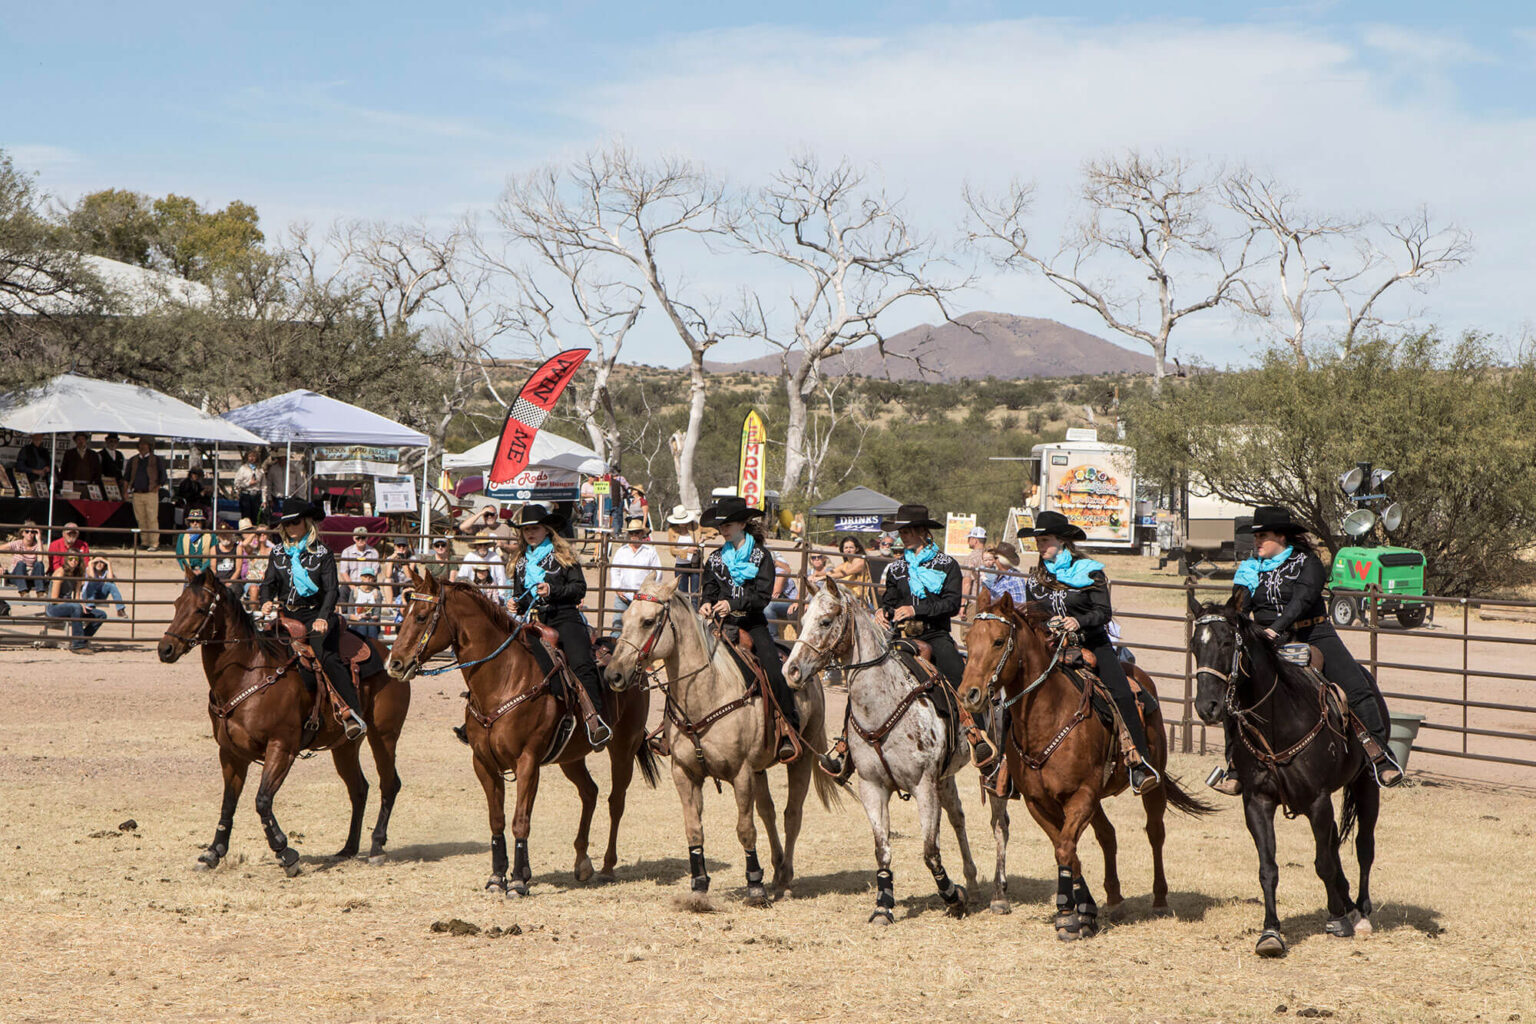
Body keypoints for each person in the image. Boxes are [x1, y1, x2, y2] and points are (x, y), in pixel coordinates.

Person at [1208, 506, 1403, 793]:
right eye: (1255, 537)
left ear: (1282, 537)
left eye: (1263, 536)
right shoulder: (1250, 568)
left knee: (1357, 686)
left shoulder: (1307, 563)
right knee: (1233, 691)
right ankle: (1235, 768)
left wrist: (1277, 627)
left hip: (1314, 633)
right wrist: (1229, 620)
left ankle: (1381, 757)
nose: (1257, 542)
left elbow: (1301, 600)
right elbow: (1240, 605)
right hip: (1265, 641)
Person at [1023, 510, 1160, 795]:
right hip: (1052, 648)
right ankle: (1005, 767)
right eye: (1037, 540)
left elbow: (1103, 612)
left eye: (1045, 539)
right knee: (1018, 690)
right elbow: (1033, 615)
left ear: (1062, 541)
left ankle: (1139, 763)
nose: (1040, 545)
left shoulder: (1090, 571)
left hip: (1093, 643)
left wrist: (1077, 621)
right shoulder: (1034, 579)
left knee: (1121, 692)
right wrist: (1047, 623)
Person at [699, 496, 799, 760]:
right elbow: (708, 589)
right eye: (721, 524)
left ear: (742, 524)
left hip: (752, 623)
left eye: (728, 524)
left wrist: (731, 604)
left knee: (773, 668)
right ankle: (673, 728)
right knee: (691, 663)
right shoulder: (715, 558)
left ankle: (788, 727)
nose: (723, 529)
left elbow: (762, 597)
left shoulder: (761, 556)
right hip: (720, 625)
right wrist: (706, 604)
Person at [259, 497, 366, 740]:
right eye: (286, 524)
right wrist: (265, 600)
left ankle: (351, 711)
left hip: (316, 614)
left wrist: (323, 617)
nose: (290, 528)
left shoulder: (323, 553)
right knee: (263, 649)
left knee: (326, 656)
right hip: (286, 615)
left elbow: (331, 590)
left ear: (307, 522)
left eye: (294, 522)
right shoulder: (277, 553)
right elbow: (268, 583)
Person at [509, 504, 611, 747]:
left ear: (546, 529)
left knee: (582, 664)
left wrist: (553, 590)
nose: (530, 534)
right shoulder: (521, 562)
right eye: (525, 530)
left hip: (565, 617)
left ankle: (594, 721)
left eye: (534, 529)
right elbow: (520, 596)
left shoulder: (563, 556)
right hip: (534, 622)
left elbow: (579, 589)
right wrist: (516, 604)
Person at [876, 504, 967, 688]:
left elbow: (951, 604)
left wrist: (915, 610)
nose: (903, 536)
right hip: (901, 634)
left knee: (960, 679)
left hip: (935, 634)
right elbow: (890, 601)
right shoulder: (896, 568)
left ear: (923, 532)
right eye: (901, 532)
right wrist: (882, 611)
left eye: (907, 532)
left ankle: (972, 717)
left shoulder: (947, 565)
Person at [607, 518, 662, 635]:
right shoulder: (622, 551)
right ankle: (614, 649)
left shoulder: (650, 551)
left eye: (637, 532)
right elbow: (615, 570)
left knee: (641, 628)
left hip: (643, 597)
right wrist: (617, 588)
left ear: (642, 534)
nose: (634, 535)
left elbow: (658, 572)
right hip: (624, 595)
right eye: (631, 533)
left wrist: (650, 591)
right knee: (617, 626)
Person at [46, 551, 107, 653]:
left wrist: (82, 605)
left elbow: (77, 596)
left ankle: (80, 640)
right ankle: (77, 645)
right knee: (76, 607)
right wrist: (76, 605)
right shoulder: (60, 572)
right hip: (55, 608)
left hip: (72, 608)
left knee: (101, 615)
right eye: (71, 559)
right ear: (66, 559)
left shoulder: (77, 573)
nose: (73, 561)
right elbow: (54, 599)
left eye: (76, 559)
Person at [125, 437, 167, 550]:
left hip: (150, 493)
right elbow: (127, 477)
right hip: (137, 493)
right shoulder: (133, 460)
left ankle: (154, 543)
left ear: (149, 446)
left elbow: (163, 476)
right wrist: (126, 491)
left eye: (145, 444)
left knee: (152, 518)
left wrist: (156, 487)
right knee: (140, 518)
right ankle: (144, 542)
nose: (142, 447)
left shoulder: (156, 460)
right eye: (140, 444)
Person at [667, 505, 704, 608]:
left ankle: (695, 616)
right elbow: (672, 550)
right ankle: (686, 616)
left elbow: (706, 533)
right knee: (683, 595)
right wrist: (687, 550)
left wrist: (700, 541)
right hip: (681, 564)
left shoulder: (695, 527)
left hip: (694, 563)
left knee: (695, 594)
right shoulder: (672, 531)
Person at [338, 526, 380, 610]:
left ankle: (375, 616)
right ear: (354, 538)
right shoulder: (346, 552)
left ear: (367, 538)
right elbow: (344, 572)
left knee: (378, 592)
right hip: (351, 583)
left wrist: (365, 586)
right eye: (358, 538)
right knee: (342, 590)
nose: (360, 540)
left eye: (363, 538)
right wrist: (353, 587)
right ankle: (345, 615)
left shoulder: (374, 552)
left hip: (369, 583)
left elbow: (375, 572)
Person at [4, 522, 46, 598]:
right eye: (27, 531)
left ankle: (40, 592)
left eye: (33, 532)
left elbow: (40, 559)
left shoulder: (37, 545)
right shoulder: (17, 543)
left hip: (30, 576)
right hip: (16, 575)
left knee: (39, 564)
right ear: (22, 533)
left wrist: (39, 540)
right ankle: (23, 591)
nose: (30, 534)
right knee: (21, 564)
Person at [82, 554, 128, 618]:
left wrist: (108, 564)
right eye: (97, 562)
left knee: (111, 584)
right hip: (88, 595)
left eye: (102, 562)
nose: (99, 564)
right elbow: (92, 577)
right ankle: (90, 606)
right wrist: (90, 563)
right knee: (92, 582)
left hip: (100, 595)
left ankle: (120, 609)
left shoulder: (106, 571)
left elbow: (110, 579)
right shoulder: (89, 569)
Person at [765, 550, 798, 639]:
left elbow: (776, 592)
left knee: (768, 607)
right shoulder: (763, 572)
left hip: (791, 602)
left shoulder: (780, 571)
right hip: (779, 602)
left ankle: (773, 638)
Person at [175, 509, 214, 581]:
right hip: (189, 573)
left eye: (198, 521)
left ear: (202, 523)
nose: (195, 523)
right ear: (189, 523)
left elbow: (213, 555)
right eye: (192, 521)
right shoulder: (182, 536)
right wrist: (187, 570)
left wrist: (202, 570)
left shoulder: (211, 536)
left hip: (206, 572)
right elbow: (179, 555)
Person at [960, 524, 988, 608]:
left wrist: (962, 604)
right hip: (988, 600)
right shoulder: (991, 556)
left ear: (975, 540)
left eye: (969, 538)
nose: (968, 541)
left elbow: (967, 583)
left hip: (974, 601)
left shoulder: (970, 558)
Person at [233, 449, 264, 524]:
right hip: (246, 495)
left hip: (256, 495)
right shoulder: (243, 469)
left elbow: (264, 485)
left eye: (254, 456)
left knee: (256, 517)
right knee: (246, 518)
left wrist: (265, 499)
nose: (252, 458)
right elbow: (237, 483)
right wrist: (248, 483)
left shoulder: (260, 469)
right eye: (250, 456)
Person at [351, 570, 382, 640]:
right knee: (362, 623)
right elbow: (350, 613)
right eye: (365, 577)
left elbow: (377, 615)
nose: (368, 579)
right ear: (361, 577)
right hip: (357, 621)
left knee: (370, 623)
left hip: (371, 620)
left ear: (373, 579)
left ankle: (369, 647)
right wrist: (359, 617)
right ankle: (371, 647)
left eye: (370, 577)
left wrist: (370, 617)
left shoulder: (377, 593)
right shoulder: (355, 591)